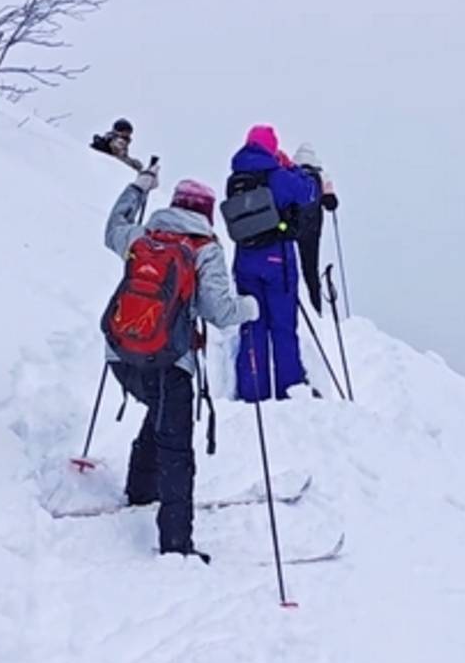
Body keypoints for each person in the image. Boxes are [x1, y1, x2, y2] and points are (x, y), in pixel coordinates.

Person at [103, 168, 257, 560]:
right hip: (170, 360)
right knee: (176, 446)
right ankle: (176, 544)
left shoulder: (142, 236)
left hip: (121, 354)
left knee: (157, 412)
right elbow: (218, 311)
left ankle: (140, 491)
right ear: (206, 213)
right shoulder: (206, 248)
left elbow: (112, 227)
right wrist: (250, 308)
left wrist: (138, 188)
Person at [221, 124, 323, 402]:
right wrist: (299, 170)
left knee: (252, 324)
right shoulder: (278, 175)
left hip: (245, 259)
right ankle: (289, 388)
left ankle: (253, 389)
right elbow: (309, 193)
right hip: (277, 258)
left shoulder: (236, 178)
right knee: (282, 326)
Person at [292, 144, 341, 312]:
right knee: (311, 268)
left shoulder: (291, 173)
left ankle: (296, 304)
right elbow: (331, 203)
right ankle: (316, 306)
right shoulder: (321, 175)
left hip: (292, 225)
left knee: (291, 264)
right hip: (313, 226)